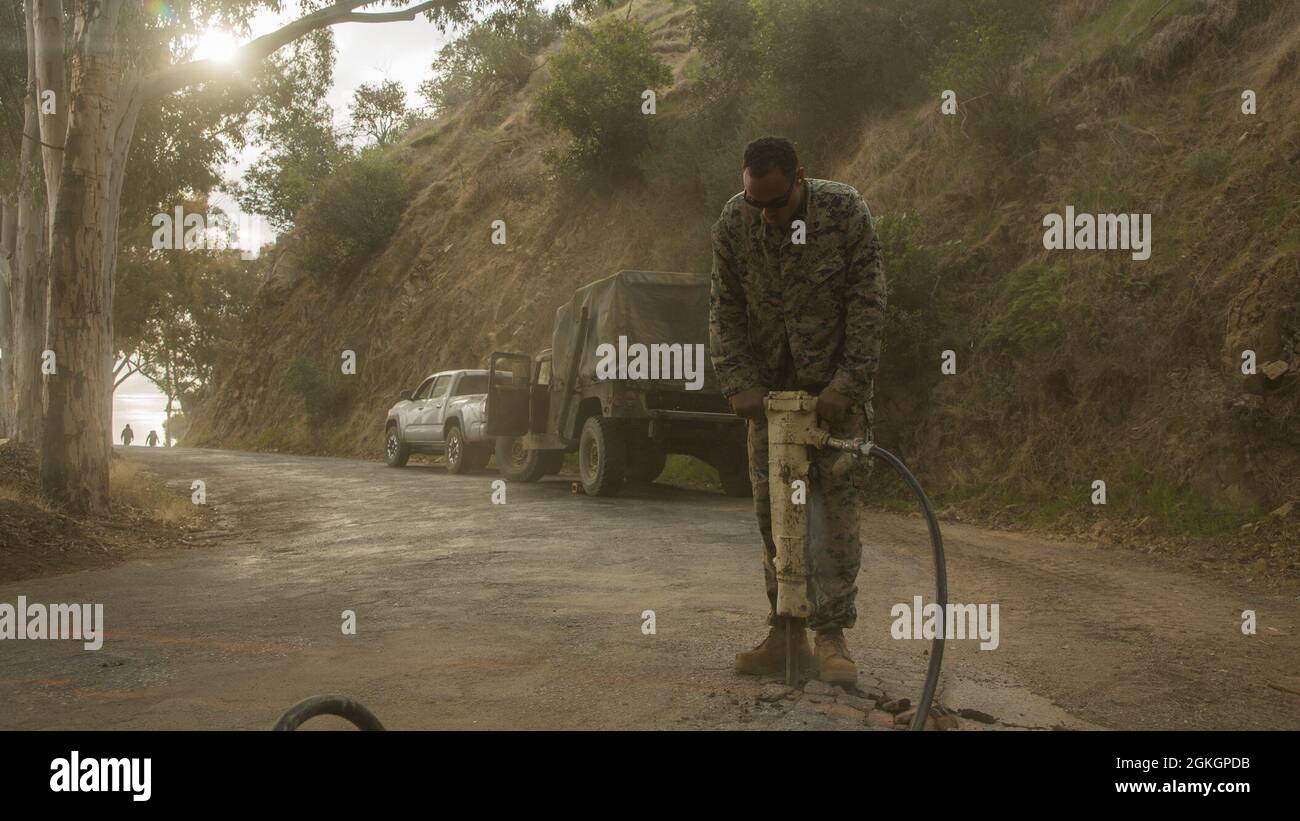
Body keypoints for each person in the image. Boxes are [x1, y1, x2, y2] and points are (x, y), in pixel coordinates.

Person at [708, 136, 886, 685]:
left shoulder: (844, 210)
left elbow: (870, 300)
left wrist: (848, 385)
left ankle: (830, 637)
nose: (763, 214)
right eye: (753, 201)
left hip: (833, 399)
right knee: (773, 516)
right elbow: (724, 306)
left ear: (800, 179)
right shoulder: (735, 221)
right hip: (770, 400)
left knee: (833, 520)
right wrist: (738, 381)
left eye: (775, 203)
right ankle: (785, 634)